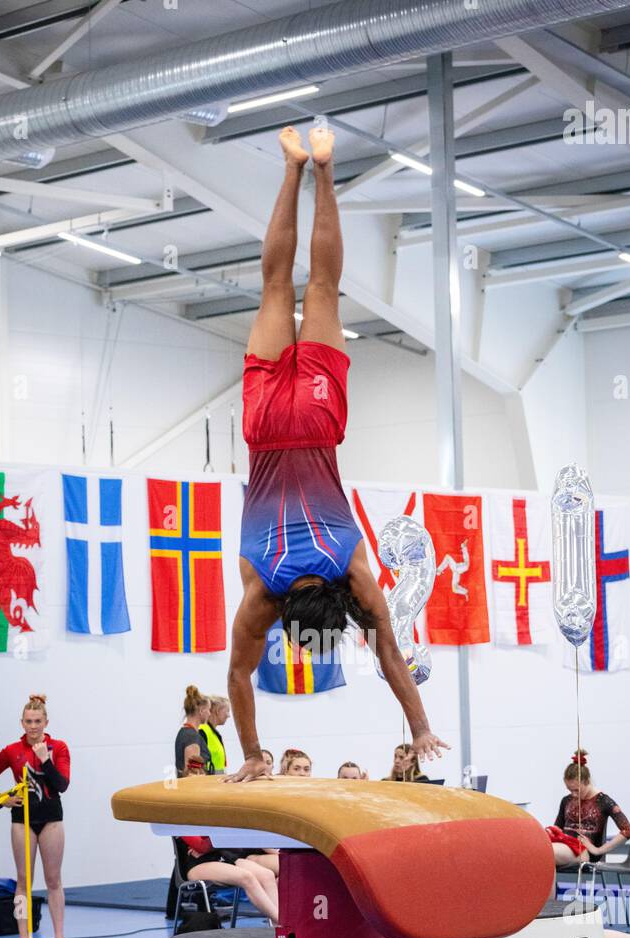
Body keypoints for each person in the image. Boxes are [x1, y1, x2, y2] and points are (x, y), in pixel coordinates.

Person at [225, 124, 447, 783]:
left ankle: (320, 166)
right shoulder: (261, 589)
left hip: (318, 421)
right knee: (274, 289)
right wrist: (254, 758)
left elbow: (392, 660)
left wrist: (423, 726)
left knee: (320, 289)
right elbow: (237, 674)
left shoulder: (353, 574)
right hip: (267, 427)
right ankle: (294, 167)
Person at [0, 694, 72, 938]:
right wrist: (0, 799)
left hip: (50, 819)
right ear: (22, 723)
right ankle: (22, 936)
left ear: (46, 722)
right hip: (22, 820)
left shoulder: (58, 747)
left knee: (53, 879)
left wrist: (45, 760)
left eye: (38, 721)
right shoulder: (12, 751)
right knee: (23, 880)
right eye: (29, 721)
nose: (33, 726)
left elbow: (62, 785)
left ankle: (59, 937)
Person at [175, 761, 280, 923]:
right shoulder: (178, 814)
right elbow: (200, 845)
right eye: (193, 785)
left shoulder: (212, 809)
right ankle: (282, 922)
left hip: (225, 858)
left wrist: (213, 841)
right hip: (197, 864)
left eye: (201, 784)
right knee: (247, 877)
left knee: (266, 875)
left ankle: (278, 928)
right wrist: (215, 841)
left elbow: (227, 837)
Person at [547, 749, 630, 867]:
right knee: (537, 850)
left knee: (545, 852)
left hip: (583, 851)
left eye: (577, 790)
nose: (573, 794)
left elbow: (627, 831)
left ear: (587, 781)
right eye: (570, 790)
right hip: (564, 844)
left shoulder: (603, 801)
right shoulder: (566, 800)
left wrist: (598, 850)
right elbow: (558, 827)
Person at [175, 686, 212, 776]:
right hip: (193, 788)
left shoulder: (185, 732)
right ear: (201, 711)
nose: (209, 713)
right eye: (209, 710)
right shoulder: (191, 736)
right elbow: (192, 775)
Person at [199, 696, 231, 774]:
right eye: (227, 711)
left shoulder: (213, 733)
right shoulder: (202, 731)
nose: (229, 715)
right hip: (209, 782)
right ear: (217, 711)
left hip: (217, 781)